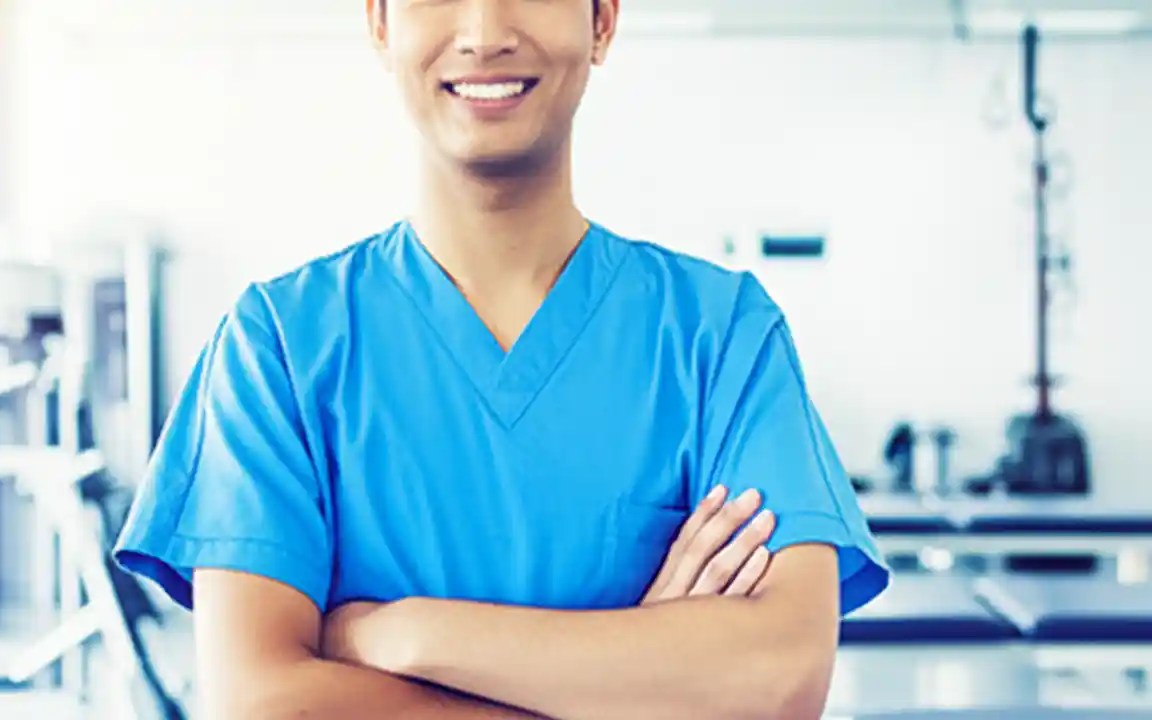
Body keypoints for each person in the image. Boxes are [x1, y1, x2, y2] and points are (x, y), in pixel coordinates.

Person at [113, 0, 890, 717]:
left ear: (603, 21)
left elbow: (780, 675)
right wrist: (636, 683)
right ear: (380, 23)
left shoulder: (719, 337)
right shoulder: (279, 347)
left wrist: (404, 633)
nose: (484, 31)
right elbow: (260, 703)